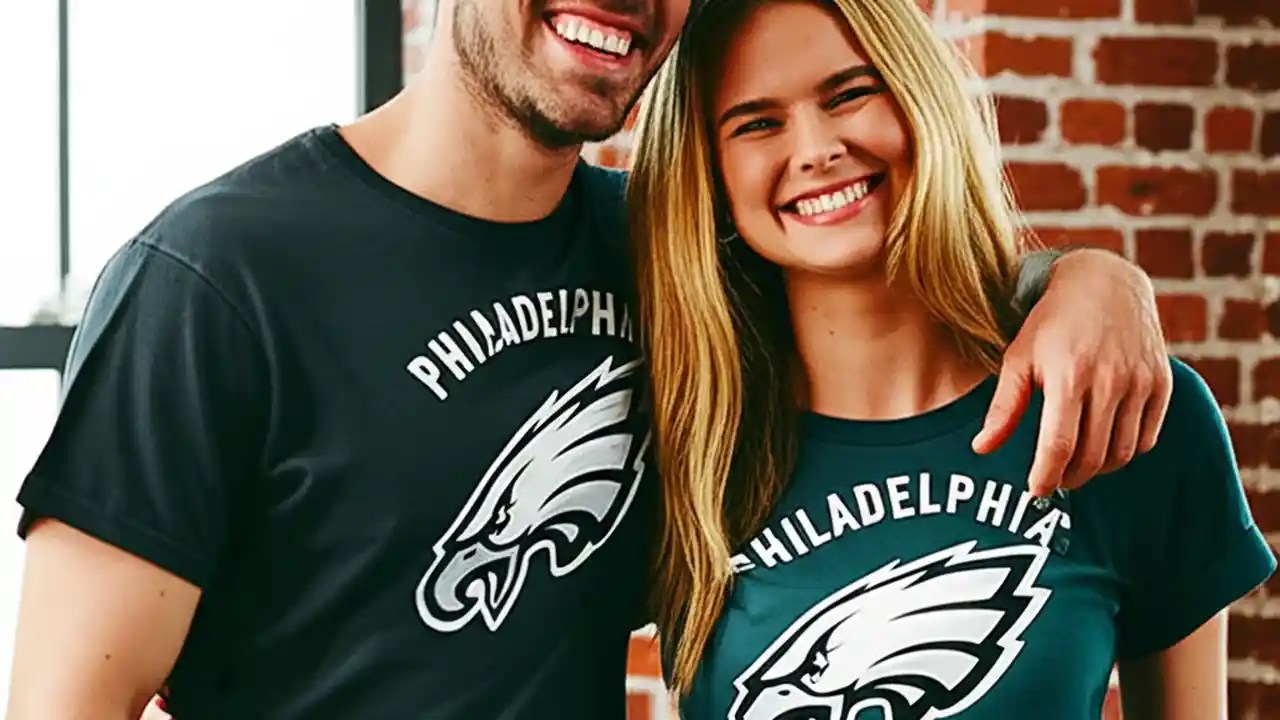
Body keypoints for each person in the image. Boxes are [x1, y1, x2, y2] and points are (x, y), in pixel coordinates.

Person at [8, 0, 1172, 718]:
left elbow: (888, 269)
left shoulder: (677, 254)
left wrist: (1085, 280)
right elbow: (70, 705)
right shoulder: (217, 277)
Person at [628, 0, 1276, 718]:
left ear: (916, 97)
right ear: (709, 175)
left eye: (849, 94)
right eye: (756, 124)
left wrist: (1099, 276)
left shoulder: (1114, 407)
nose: (815, 149)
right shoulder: (678, 445)